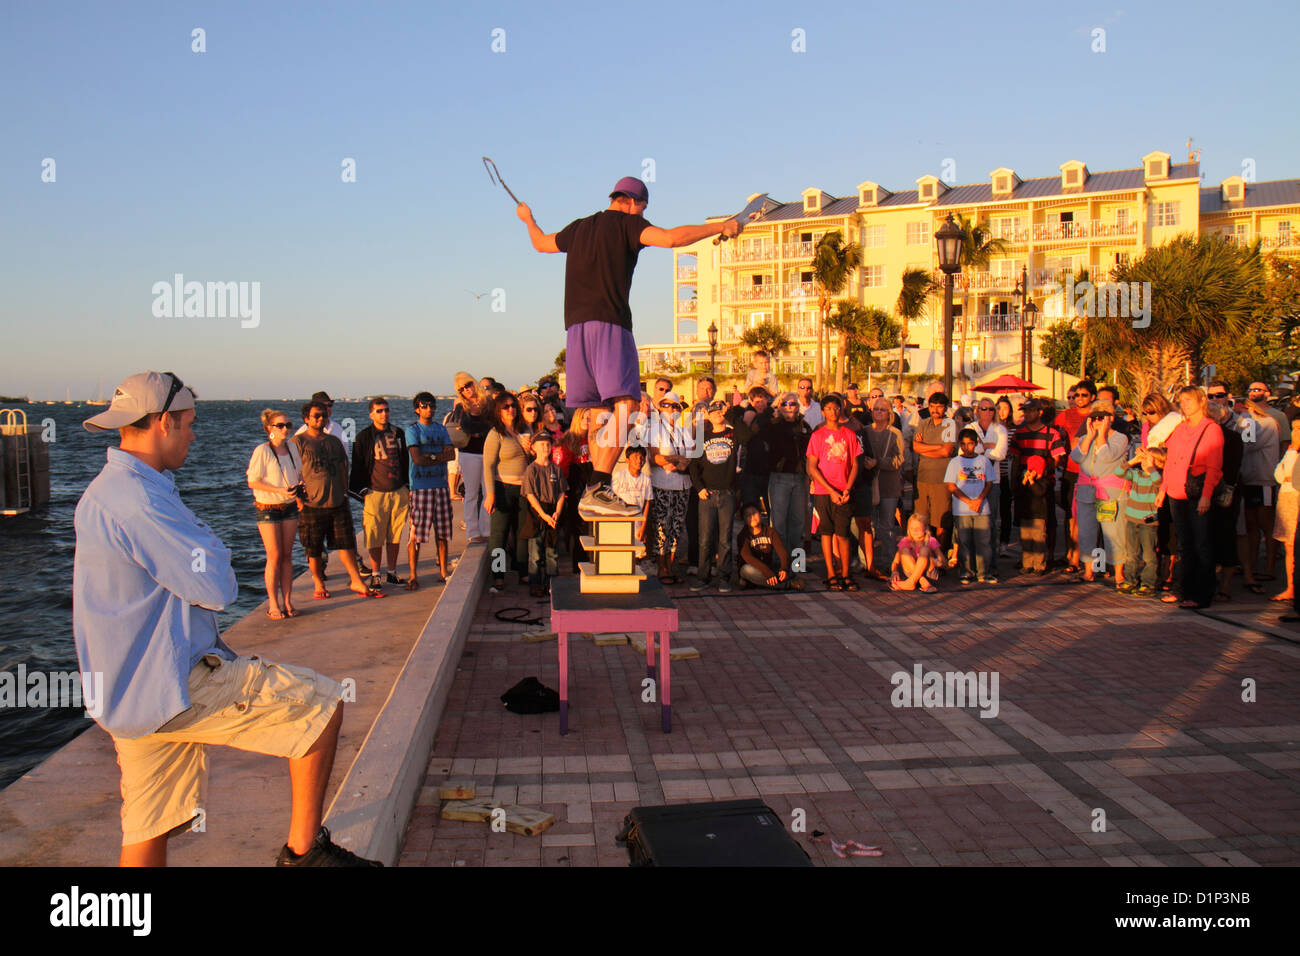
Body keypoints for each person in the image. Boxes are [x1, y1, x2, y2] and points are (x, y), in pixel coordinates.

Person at [74, 371, 379, 866]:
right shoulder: (141, 502)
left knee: (150, 826)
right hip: (173, 682)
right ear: (162, 423)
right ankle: (305, 856)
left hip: (127, 694)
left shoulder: (105, 491)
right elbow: (217, 586)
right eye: (189, 424)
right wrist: (209, 544)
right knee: (322, 707)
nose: (195, 434)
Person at [516, 176, 739, 516]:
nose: (642, 213)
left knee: (598, 412)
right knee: (630, 405)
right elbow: (672, 238)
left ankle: (596, 490)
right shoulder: (627, 223)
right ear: (633, 202)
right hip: (610, 324)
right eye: (643, 208)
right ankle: (598, 484)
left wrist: (527, 219)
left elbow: (540, 244)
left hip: (575, 329)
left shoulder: (578, 228)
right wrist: (721, 227)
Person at [295, 401, 384, 600]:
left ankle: (356, 580)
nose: (321, 419)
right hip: (312, 504)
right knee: (314, 547)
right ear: (306, 419)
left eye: (324, 416)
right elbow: (290, 473)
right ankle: (318, 582)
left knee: (346, 544)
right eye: (316, 416)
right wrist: (299, 501)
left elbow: (345, 465)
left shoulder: (333, 441)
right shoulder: (298, 442)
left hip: (337, 501)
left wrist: (344, 491)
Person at [1157, 386, 1224, 609]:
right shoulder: (1180, 428)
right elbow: (1170, 460)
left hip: (1196, 492)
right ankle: (1182, 589)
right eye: (1181, 401)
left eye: (1188, 400)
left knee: (1201, 543)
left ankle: (1202, 593)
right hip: (1177, 492)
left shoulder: (1211, 429)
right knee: (1184, 544)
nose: (1184, 404)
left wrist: (1206, 496)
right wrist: (1162, 489)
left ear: (1200, 401)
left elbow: (1214, 467)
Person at [688, 398, 753, 592]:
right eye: (713, 411)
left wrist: (731, 413)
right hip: (707, 494)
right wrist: (699, 487)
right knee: (705, 539)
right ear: (707, 415)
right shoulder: (702, 435)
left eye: (720, 411)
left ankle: (724, 577)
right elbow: (693, 465)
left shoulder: (732, 434)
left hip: (727, 493)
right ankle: (703, 576)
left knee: (725, 539)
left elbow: (747, 436)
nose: (717, 413)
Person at [246, 409, 303, 619]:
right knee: (275, 555)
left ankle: (288, 601)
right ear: (269, 428)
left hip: (288, 507)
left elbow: (298, 474)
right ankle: (273, 603)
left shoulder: (292, 449)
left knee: (287, 555)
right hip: (267, 507)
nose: (286, 429)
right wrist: (278, 490)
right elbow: (252, 480)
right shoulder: (262, 451)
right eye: (280, 425)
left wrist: (297, 493)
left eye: (288, 425)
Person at [350, 397, 410, 587]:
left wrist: (407, 486)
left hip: (398, 491)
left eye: (386, 410)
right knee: (374, 535)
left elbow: (405, 460)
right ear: (371, 414)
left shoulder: (398, 433)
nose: (384, 414)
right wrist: (362, 491)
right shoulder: (364, 437)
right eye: (379, 411)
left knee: (395, 534)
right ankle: (376, 574)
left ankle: (391, 572)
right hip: (375, 493)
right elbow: (358, 465)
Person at [1070, 401, 1130, 585]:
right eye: (1094, 417)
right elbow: (1075, 457)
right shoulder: (1085, 438)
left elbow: (1107, 455)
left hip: (1110, 492)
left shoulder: (1120, 438)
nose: (1097, 421)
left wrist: (1102, 435)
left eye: (1101, 417)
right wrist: (1089, 437)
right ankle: (1090, 570)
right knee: (1087, 532)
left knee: (1113, 532)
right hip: (1086, 490)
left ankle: (1119, 573)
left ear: (1111, 418)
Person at [806, 394, 860, 591]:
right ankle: (830, 573)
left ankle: (845, 573)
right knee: (826, 533)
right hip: (823, 491)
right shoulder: (817, 435)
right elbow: (812, 467)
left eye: (836, 408)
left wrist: (847, 488)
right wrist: (830, 491)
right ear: (823, 412)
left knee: (843, 533)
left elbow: (855, 464)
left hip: (844, 491)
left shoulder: (850, 435)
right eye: (828, 409)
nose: (833, 412)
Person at [1010, 398, 1066, 574]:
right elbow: (1016, 458)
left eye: (1030, 411)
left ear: (1039, 412)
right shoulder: (1019, 433)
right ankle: (1027, 561)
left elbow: (1058, 458)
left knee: (1044, 525)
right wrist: (1016, 482)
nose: (1026, 414)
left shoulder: (1052, 433)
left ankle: (1043, 561)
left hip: (1043, 483)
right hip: (1024, 483)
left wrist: (1041, 471)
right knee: (1025, 525)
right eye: (1024, 411)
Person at [405, 392, 455, 589]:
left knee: (442, 532)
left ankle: (443, 572)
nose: (429, 409)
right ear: (417, 409)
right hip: (420, 487)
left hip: (441, 486)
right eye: (424, 406)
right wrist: (437, 456)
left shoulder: (441, 430)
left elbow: (450, 454)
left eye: (432, 405)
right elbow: (417, 458)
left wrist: (431, 457)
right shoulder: (413, 430)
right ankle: (412, 575)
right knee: (416, 533)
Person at [483, 391, 530, 592]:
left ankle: (522, 571)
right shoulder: (496, 434)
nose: (511, 409)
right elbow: (488, 466)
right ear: (499, 411)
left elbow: (530, 459)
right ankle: (498, 575)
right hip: (502, 487)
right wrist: (491, 494)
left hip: (523, 489)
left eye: (513, 406)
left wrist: (528, 447)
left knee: (522, 534)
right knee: (499, 535)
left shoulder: (523, 429)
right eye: (506, 406)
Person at [1238, 385, 1281, 591]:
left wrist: (1244, 421)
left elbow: (1249, 444)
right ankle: (1252, 564)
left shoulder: (1266, 423)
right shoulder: (1248, 423)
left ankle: (1271, 566)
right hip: (1249, 480)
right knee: (1251, 525)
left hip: (1264, 480)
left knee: (1267, 524)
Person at [648, 391, 693, 584]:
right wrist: (675, 458)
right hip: (662, 484)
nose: (671, 410)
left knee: (676, 527)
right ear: (660, 408)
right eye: (666, 405)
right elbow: (655, 457)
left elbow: (691, 456)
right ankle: (661, 568)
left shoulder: (684, 431)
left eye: (675, 406)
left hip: (682, 485)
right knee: (661, 527)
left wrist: (681, 462)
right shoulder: (654, 429)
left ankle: (671, 567)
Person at [766, 391, 814, 562]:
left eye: (792, 404)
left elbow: (811, 453)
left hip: (800, 478)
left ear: (798, 406)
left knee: (798, 523)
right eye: (784, 404)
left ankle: (797, 564)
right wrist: (775, 405)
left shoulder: (804, 426)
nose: (789, 407)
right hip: (779, 478)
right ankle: (780, 562)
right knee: (778, 523)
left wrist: (810, 476)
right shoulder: (772, 425)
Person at [445, 372, 492, 543]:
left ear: (474, 383)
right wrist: (480, 431)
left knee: (488, 492)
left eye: (468, 385)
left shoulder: (488, 403)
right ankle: (473, 532)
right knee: (471, 493)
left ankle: (486, 529)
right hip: (469, 454)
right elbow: (467, 427)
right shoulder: (461, 408)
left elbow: (491, 425)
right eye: (462, 389)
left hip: (487, 452)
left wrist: (479, 431)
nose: (467, 390)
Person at [521, 431, 567, 597]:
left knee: (552, 553)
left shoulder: (556, 469)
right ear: (533, 448)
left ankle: (551, 584)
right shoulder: (531, 469)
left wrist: (557, 512)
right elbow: (530, 495)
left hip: (553, 512)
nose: (545, 447)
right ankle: (535, 583)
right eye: (541, 444)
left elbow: (562, 492)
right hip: (537, 514)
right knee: (534, 552)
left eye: (548, 444)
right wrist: (543, 514)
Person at [946, 428, 994, 584]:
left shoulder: (984, 461)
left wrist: (979, 499)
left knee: (983, 542)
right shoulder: (955, 462)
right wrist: (969, 501)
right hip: (962, 509)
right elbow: (952, 486)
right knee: (964, 541)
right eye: (963, 444)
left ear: (976, 443)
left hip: (981, 508)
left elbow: (989, 483)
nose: (967, 448)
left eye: (970, 444)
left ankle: (984, 573)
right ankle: (967, 571)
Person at [1057, 380, 1096, 572]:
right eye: (1076, 395)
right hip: (1071, 470)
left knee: (1090, 518)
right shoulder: (1066, 415)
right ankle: (1072, 554)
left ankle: (1090, 561)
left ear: (1092, 397)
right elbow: (1056, 437)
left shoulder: (1096, 417)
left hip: (1092, 473)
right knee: (1071, 515)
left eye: (1083, 395)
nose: (1079, 399)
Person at [912, 391, 956, 555]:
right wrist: (937, 447)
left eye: (939, 407)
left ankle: (940, 556)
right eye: (932, 406)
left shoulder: (950, 424)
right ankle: (921, 554)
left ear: (945, 408)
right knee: (921, 519)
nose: (935, 410)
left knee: (941, 520)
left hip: (942, 478)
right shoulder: (923, 423)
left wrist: (925, 448)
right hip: (923, 477)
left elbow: (947, 451)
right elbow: (916, 447)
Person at [863, 397, 904, 571]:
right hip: (868, 485)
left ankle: (889, 562)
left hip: (888, 485)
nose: (878, 412)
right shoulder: (864, 431)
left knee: (886, 526)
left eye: (883, 409)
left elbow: (900, 458)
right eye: (876, 409)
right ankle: (867, 563)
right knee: (867, 526)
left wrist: (878, 463)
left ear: (890, 413)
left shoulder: (895, 433)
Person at [1119, 446, 1165, 597]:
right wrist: (1134, 461)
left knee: (1148, 555)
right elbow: (1118, 472)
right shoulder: (1136, 474)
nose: (1145, 462)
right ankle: (1130, 580)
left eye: (1148, 459)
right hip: (1132, 519)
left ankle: (1148, 583)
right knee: (1131, 553)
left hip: (1148, 522)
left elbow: (1159, 483)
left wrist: (1151, 467)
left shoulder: (1157, 477)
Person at [971, 398, 1008, 573]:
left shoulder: (1000, 429)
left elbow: (1000, 454)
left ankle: (991, 565)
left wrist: (981, 448)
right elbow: (967, 451)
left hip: (993, 482)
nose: (987, 412)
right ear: (977, 410)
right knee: (972, 523)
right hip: (972, 480)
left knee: (991, 523)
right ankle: (973, 565)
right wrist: (987, 447)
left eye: (990, 409)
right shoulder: (970, 428)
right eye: (983, 408)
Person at [737, 505, 804, 590]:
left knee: (788, 568)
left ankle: (759, 582)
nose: (752, 517)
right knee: (746, 570)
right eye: (748, 515)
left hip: (768, 566)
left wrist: (784, 568)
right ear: (744, 520)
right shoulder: (742, 536)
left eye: (754, 513)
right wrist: (767, 573)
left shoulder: (770, 532)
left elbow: (781, 551)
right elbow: (748, 558)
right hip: (753, 568)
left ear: (760, 515)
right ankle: (787, 585)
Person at [1272, 420, 1300, 603]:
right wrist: (1291, 450)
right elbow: (1279, 475)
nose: (1296, 432)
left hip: (1296, 498)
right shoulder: (1291, 452)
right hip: (1287, 497)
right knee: (1289, 546)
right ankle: (1291, 587)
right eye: (1294, 428)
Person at [612, 444, 653, 555]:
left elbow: (647, 503)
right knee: (620, 552)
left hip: (637, 523)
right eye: (635, 458)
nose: (638, 461)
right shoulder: (619, 476)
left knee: (636, 554)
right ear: (627, 460)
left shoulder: (646, 479)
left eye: (641, 458)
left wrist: (643, 527)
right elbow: (613, 498)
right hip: (620, 522)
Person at [890, 513, 944, 591]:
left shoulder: (931, 540)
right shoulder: (906, 541)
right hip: (910, 575)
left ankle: (914, 582)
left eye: (918, 528)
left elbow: (943, 561)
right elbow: (895, 561)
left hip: (929, 575)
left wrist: (936, 562)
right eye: (912, 528)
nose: (915, 531)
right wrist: (894, 571)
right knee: (904, 550)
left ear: (925, 529)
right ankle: (922, 582)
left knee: (924, 550)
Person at [994, 397, 1016, 555]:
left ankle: (1004, 544)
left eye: (1005, 408)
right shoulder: (991, 428)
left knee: (1005, 511)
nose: (1002, 411)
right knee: (992, 511)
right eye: (999, 407)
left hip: (1006, 474)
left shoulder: (1014, 430)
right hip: (993, 475)